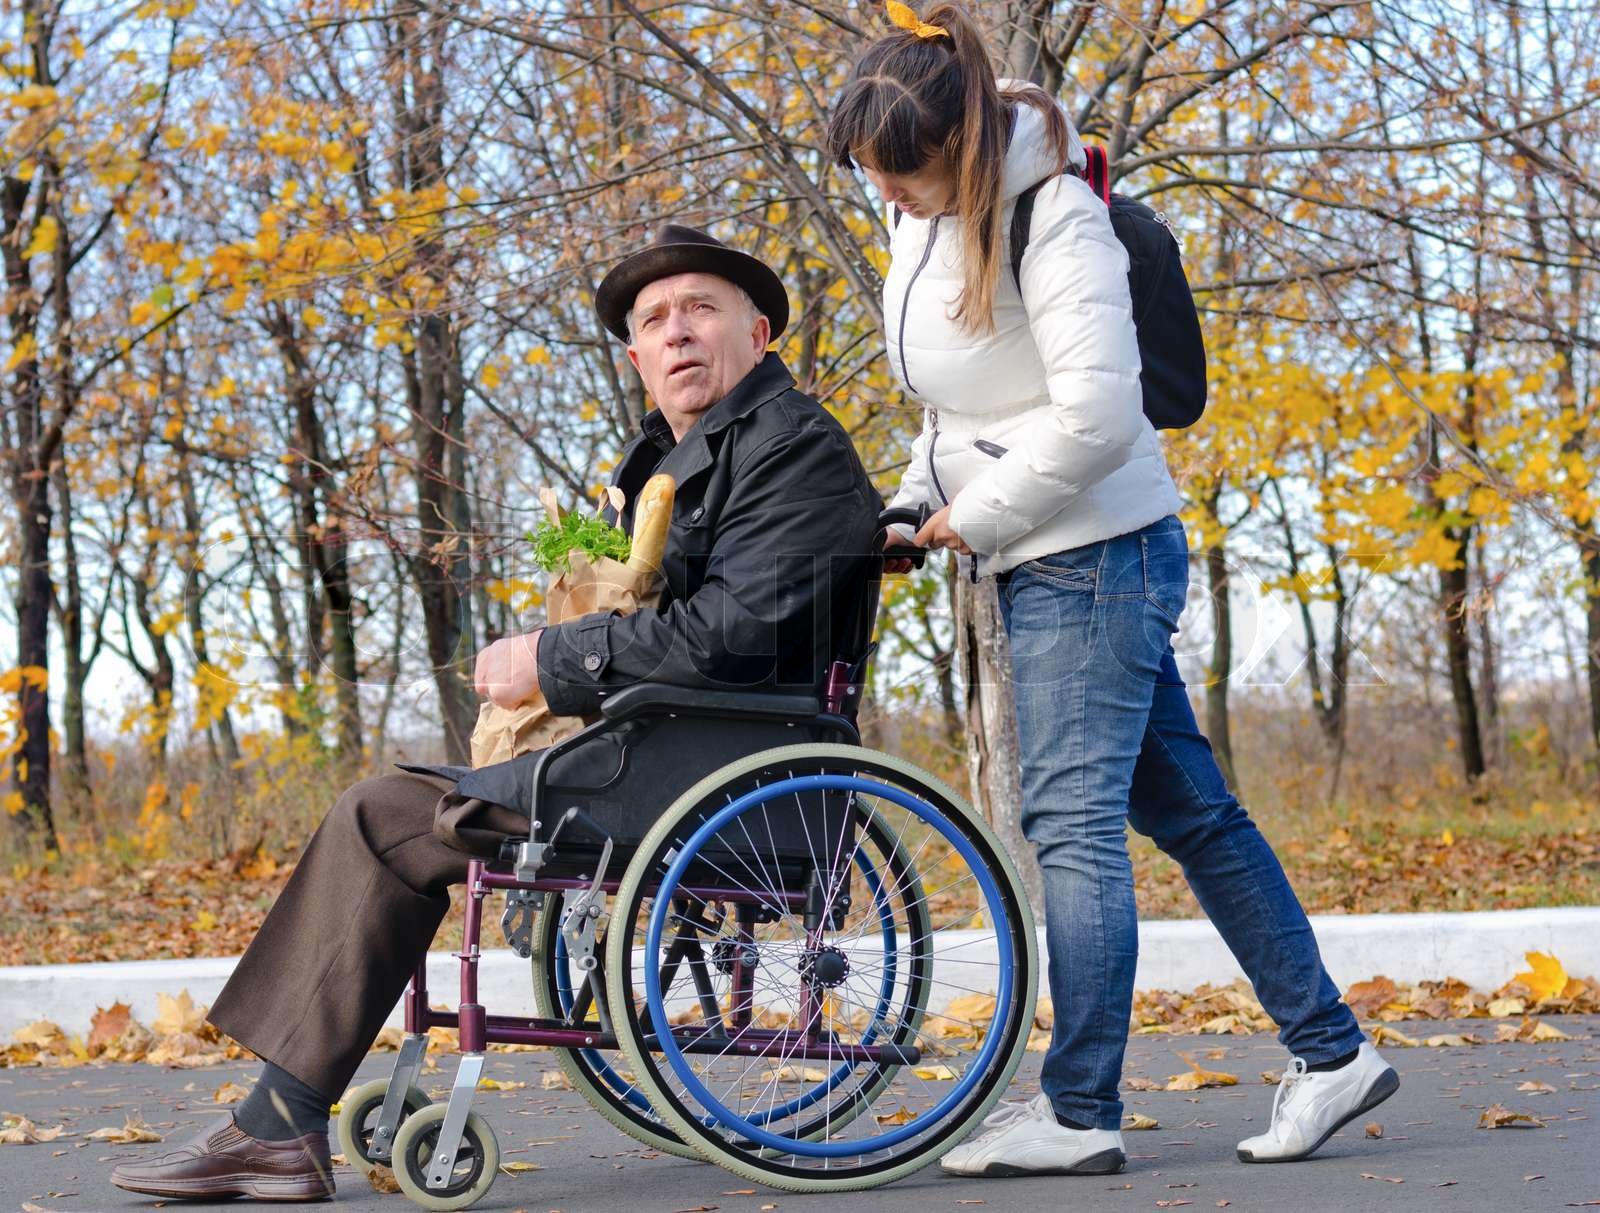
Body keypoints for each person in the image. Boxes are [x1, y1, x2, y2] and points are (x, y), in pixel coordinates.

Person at [108, 223, 881, 1202]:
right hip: (667, 743)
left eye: (701, 308)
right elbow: (644, 606)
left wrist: (550, 660)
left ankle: (275, 1124)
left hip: (730, 760)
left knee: (387, 813)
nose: (677, 331)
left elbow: (729, 632)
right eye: (654, 320)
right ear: (635, 357)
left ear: (758, 331)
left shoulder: (792, 446)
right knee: (392, 804)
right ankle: (277, 1118)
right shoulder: (670, 468)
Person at [825, 2, 1397, 1178]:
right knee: (1191, 813)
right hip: (1051, 549)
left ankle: (1078, 1107)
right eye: (873, 182)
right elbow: (970, 404)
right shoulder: (932, 218)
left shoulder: (1059, 219)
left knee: (1070, 827)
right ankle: (1330, 1053)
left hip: (1090, 553)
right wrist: (908, 499)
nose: (891, 202)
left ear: (964, 151)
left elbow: (1097, 416)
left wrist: (967, 519)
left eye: (908, 182)